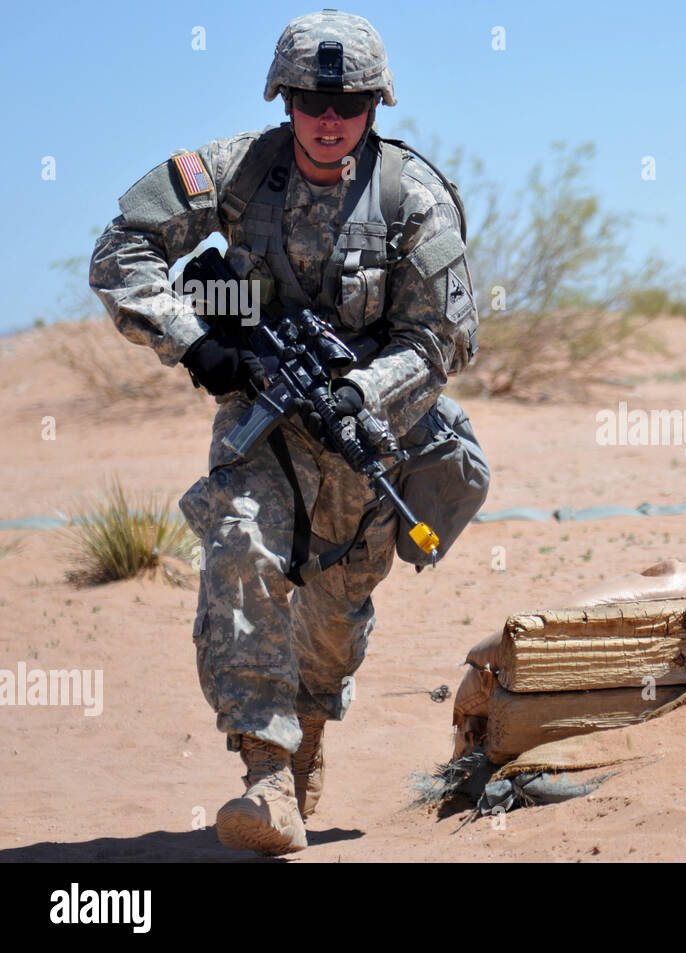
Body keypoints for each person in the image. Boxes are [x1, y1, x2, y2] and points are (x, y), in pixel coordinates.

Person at [89, 9, 488, 856]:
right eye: (311, 101)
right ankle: (265, 773)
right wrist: (195, 340)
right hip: (261, 418)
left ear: (377, 106)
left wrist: (363, 389)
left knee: (335, 619)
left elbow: (442, 336)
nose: (329, 119)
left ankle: (306, 737)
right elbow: (121, 251)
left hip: (368, 433)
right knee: (239, 544)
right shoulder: (237, 170)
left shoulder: (412, 196)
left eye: (349, 103)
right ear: (285, 98)